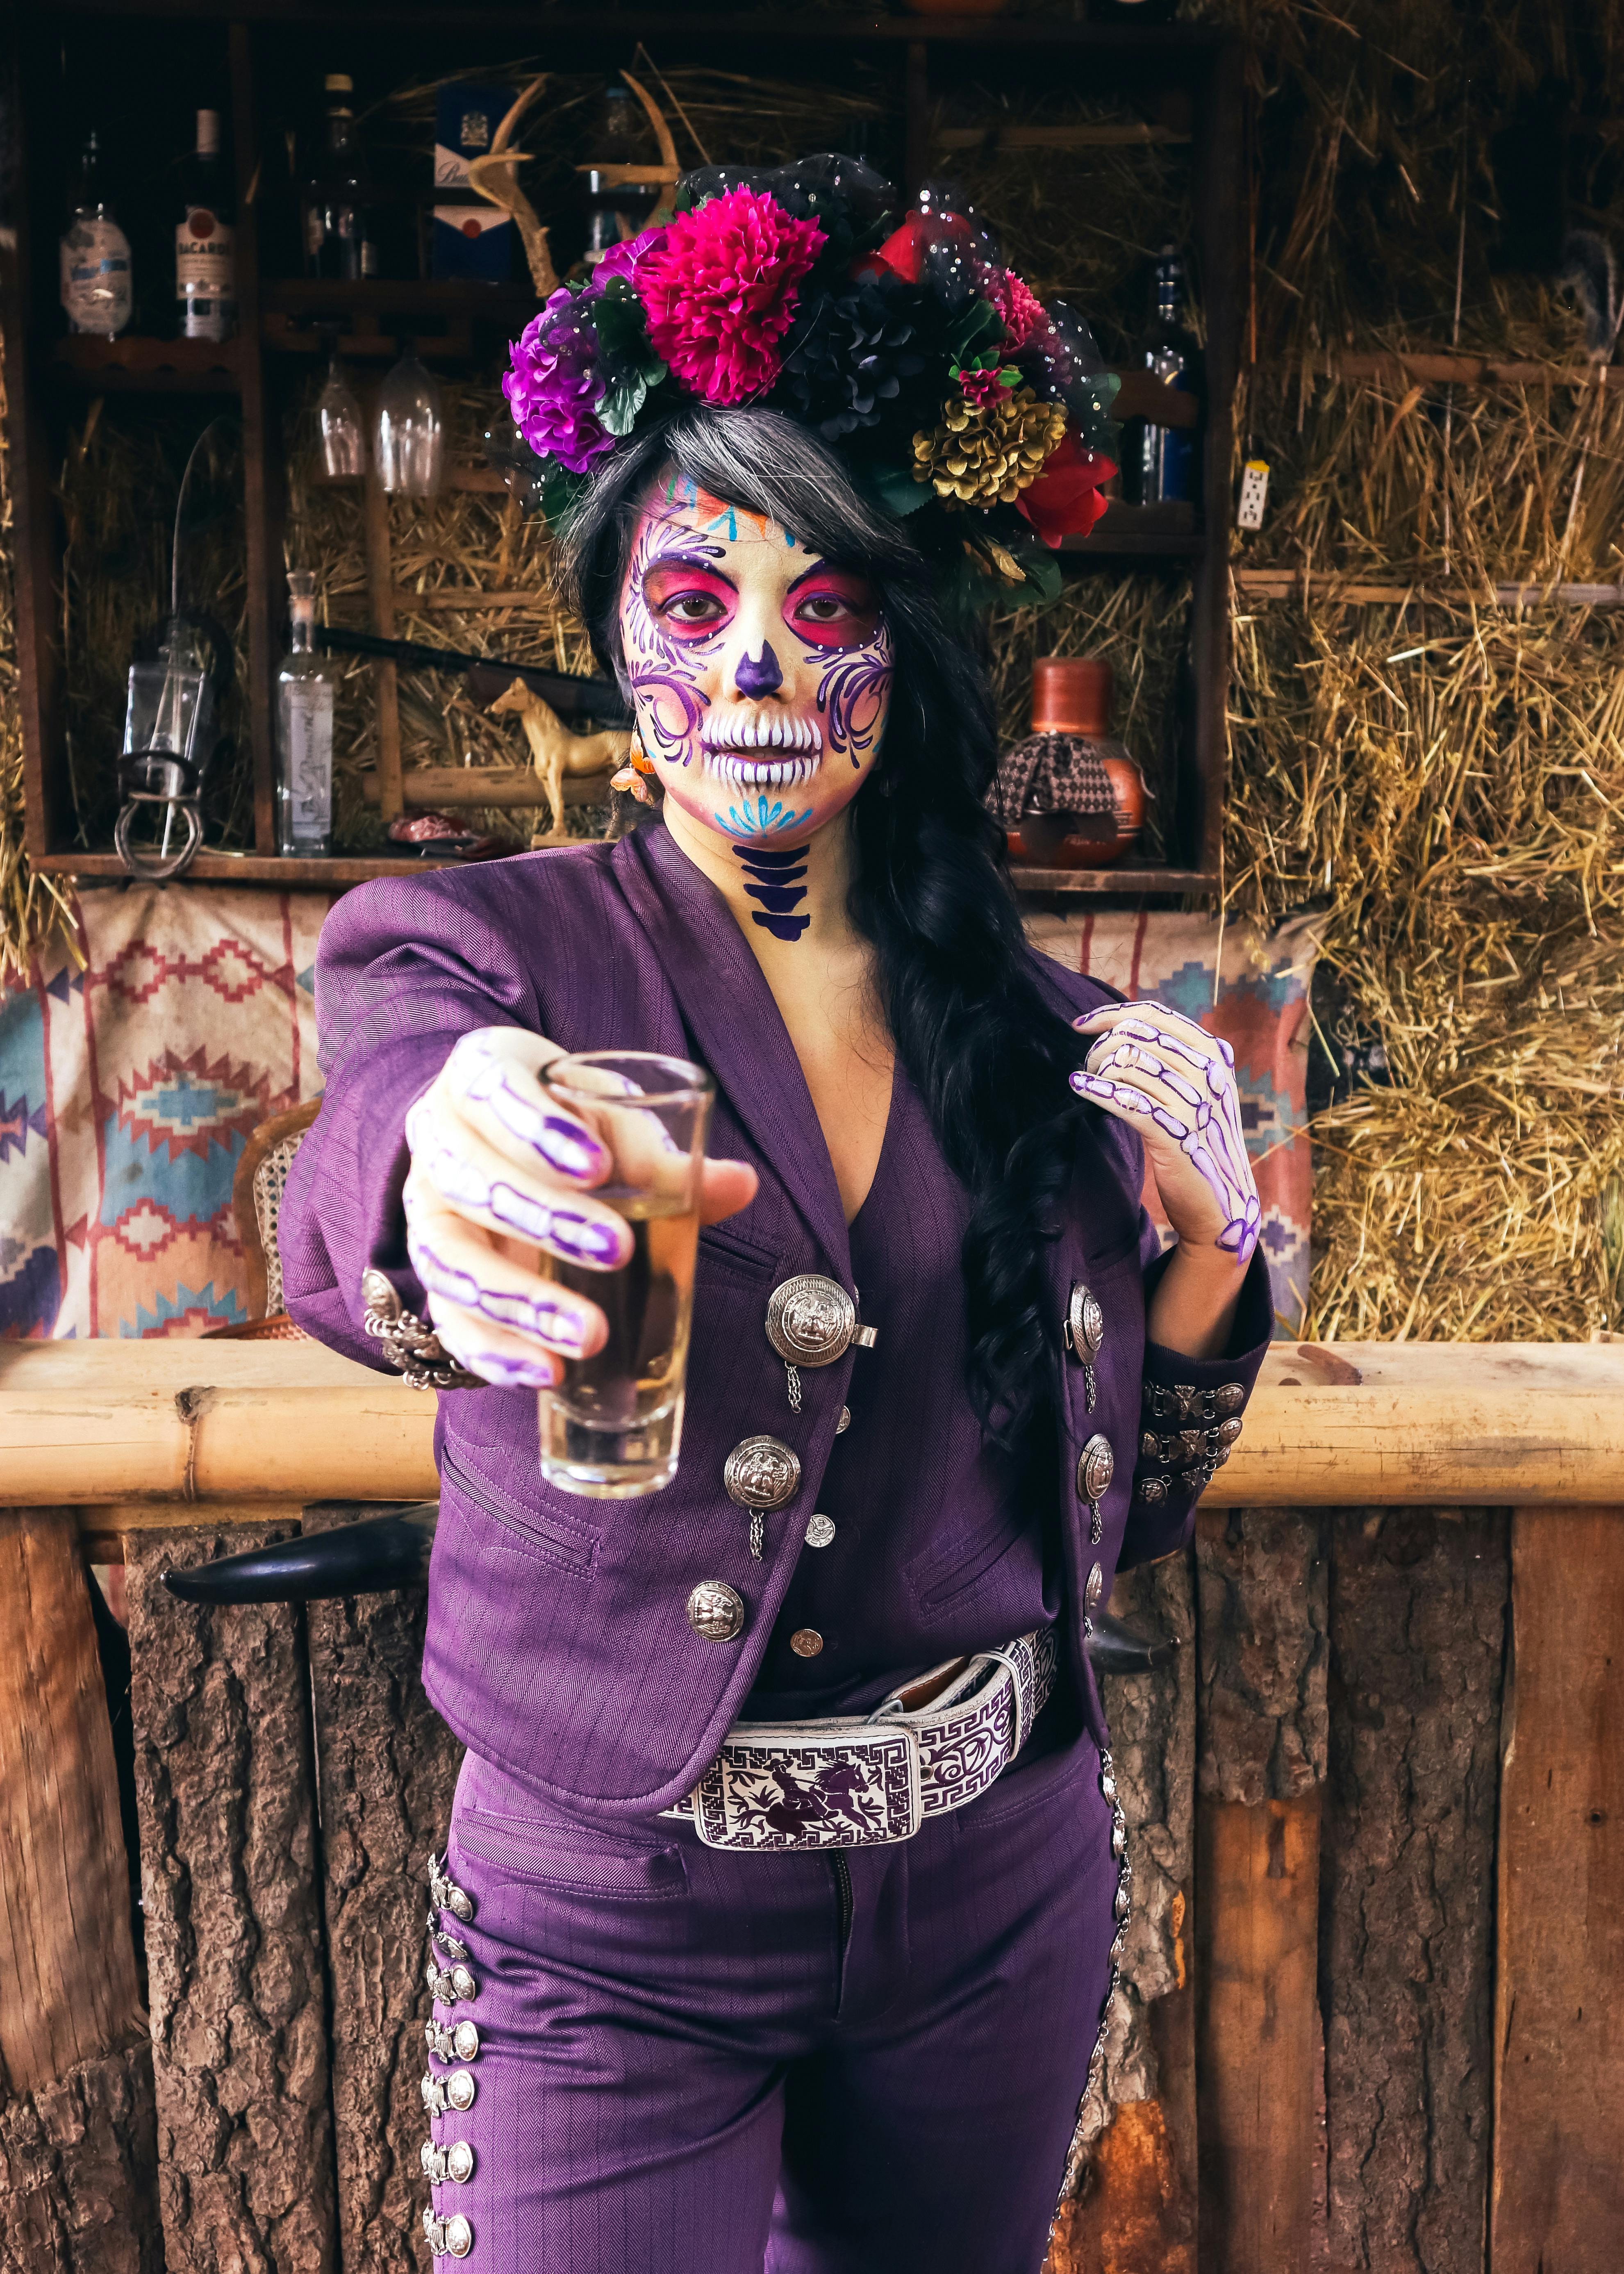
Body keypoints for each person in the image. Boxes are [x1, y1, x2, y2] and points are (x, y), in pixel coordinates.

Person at [280, 156, 1271, 2274]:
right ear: (611, 631)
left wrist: (1208, 1256)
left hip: (1001, 1891)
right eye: (690, 602)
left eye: (823, 610)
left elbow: (1126, 1508)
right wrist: (445, 1175)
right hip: (610, 1919)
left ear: (907, 647)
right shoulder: (476, 953)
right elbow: (370, 1143)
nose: (751, 672)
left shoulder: (1040, 1026)